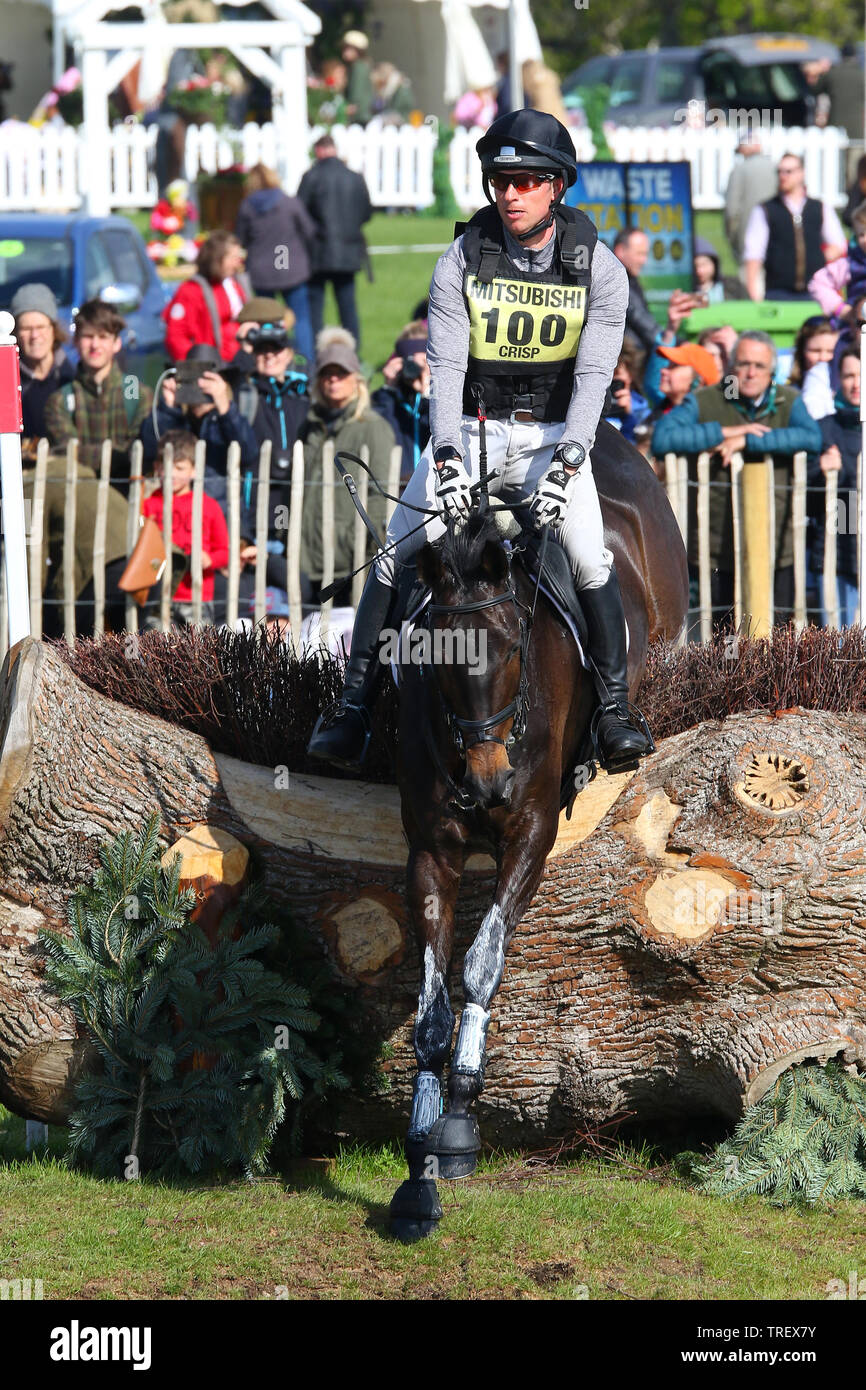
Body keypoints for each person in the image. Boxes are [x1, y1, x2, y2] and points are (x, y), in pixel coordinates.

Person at [307, 109, 653, 772]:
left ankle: (613, 711)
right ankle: (351, 709)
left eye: (525, 181)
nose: (510, 193)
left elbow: (593, 379)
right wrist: (445, 456)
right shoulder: (460, 258)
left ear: (558, 187)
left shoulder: (601, 272)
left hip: (553, 435)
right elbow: (448, 370)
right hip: (469, 429)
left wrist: (569, 462)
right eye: (500, 180)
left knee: (588, 560)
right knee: (391, 553)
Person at [650, 330, 823, 625]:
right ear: (731, 367)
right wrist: (725, 432)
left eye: (759, 366)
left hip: (777, 547)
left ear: (772, 371)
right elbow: (663, 438)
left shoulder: (788, 401)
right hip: (716, 550)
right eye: (743, 364)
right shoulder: (707, 400)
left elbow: (812, 438)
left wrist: (750, 442)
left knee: (775, 635)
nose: (751, 373)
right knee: (723, 643)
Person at [298, 328, 396, 601]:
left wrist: (363, 546)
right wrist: (284, 531)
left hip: (349, 561)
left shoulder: (373, 428)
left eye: (341, 374)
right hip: (306, 558)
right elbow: (289, 489)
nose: (333, 380)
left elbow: (381, 494)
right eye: (327, 374)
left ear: (357, 379)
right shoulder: (309, 426)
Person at [43, 299, 153, 490]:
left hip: (129, 499)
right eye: (88, 336)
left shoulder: (136, 392)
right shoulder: (60, 400)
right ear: (76, 341)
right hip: (78, 501)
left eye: (103, 336)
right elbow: (66, 453)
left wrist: (86, 453)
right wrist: (119, 454)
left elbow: (141, 452)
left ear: (117, 343)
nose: (95, 345)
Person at [24, 448, 130, 640]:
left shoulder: (28, 486)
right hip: (141, 559)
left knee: (78, 641)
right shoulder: (81, 476)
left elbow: (29, 553)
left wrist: (29, 605)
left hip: (100, 567)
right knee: (130, 639)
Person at [142, 429, 230, 628]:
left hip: (196, 596)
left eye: (180, 468)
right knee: (154, 651)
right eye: (166, 467)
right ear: (157, 467)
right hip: (157, 594)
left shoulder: (209, 506)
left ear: (194, 470)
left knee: (198, 654)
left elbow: (224, 552)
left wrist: (210, 559)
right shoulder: (148, 504)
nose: (172, 473)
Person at [234, 164, 316, 367]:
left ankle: (267, 357)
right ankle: (306, 363)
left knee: (264, 319)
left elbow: (240, 239)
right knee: (301, 319)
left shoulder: (247, 207)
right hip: (289, 266)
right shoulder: (289, 203)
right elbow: (309, 230)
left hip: (262, 271)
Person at [297, 134, 373, 349]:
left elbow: (299, 213)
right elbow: (367, 213)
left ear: (319, 150)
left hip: (318, 252)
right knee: (348, 307)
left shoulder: (311, 176)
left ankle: (314, 354)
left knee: (315, 308)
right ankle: (352, 354)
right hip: (348, 251)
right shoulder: (354, 177)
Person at [743, 153, 847, 302]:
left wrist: (816, 258)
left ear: (801, 173)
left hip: (815, 290)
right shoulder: (766, 209)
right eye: (779, 171)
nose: (783, 176)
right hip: (777, 291)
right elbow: (753, 255)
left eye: (788, 171)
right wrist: (755, 295)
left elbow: (838, 244)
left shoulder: (819, 208)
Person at [808, 345, 861, 627]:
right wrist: (820, 467)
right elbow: (801, 485)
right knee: (841, 651)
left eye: (862, 375)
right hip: (836, 554)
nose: (857, 383)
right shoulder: (823, 428)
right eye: (849, 375)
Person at [163, 231, 250, 363]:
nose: (237, 263)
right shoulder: (191, 290)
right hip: (211, 366)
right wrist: (194, 368)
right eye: (233, 258)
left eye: (238, 258)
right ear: (217, 259)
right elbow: (176, 337)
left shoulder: (233, 284)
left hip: (238, 362)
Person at [10, 283, 75, 456]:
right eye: (26, 328)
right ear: (16, 332)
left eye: (40, 327)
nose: (34, 336)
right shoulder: (9, 383)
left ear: (53, 329)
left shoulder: (72, 379)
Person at [371, 320, 430, 484]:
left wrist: (429, 393)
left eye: (425, 363)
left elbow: (437, 429)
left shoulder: (441, 400)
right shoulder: (387, 399)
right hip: (396, 488)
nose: (418, 370)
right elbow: (378, 430)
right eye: (412, 364)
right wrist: (388, 388)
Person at [723, 134, 777, 267]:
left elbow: (732, 209)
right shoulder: (775, 167)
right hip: (776, 231)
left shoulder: (739, 171)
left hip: (748, 232)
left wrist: (731, 235)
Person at [808, 201, 866, 322]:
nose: (864, 239)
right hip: (858, 328)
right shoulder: (851, 264)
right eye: (861, 234)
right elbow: (818, 283)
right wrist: (840, 309)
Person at [825, 43, 866, 185]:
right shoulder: (862, 75)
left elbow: (815, 90)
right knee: (854, 171)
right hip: (857, 130)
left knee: (834, 168)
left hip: (835, 128)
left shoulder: (832, 73)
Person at [787, 316, 838, 390]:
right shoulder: (791, 391)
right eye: (815, 351)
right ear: (801, 351)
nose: (823, 358)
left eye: (830, 351)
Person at [693, 236, 748, 304]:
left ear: (714, 264)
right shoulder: (684, 291)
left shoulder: (734, 287)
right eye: (695, 266)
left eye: (704, 265)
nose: (700, 271)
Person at [342, 30, 373, 126]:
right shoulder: (362, 65)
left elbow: (357, 92)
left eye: (348, 48)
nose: (345, 52)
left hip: (359, 116)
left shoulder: (358, 67)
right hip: (363, 113)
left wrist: (351, 107)